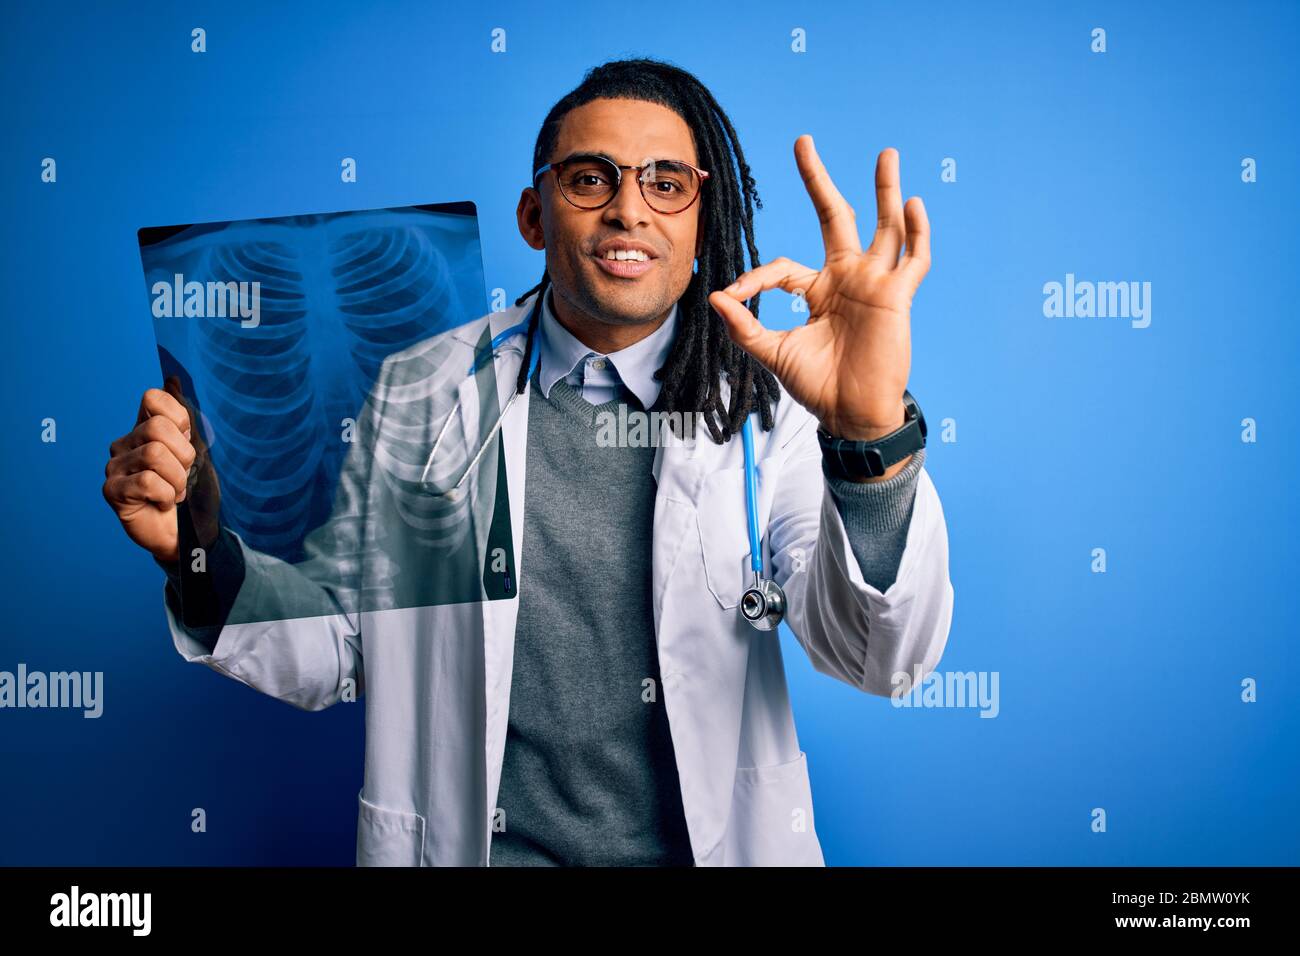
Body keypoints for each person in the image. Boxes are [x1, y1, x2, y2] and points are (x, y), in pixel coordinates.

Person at [102, 57, 953, 866]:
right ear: (534, 215)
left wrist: (869, 431)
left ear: (699, 221)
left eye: (666, 183)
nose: (629, 210)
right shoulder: (423, 389)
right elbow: (345, 644)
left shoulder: (762, 406)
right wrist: (199, 550)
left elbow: (881, 657)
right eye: (591, 177)